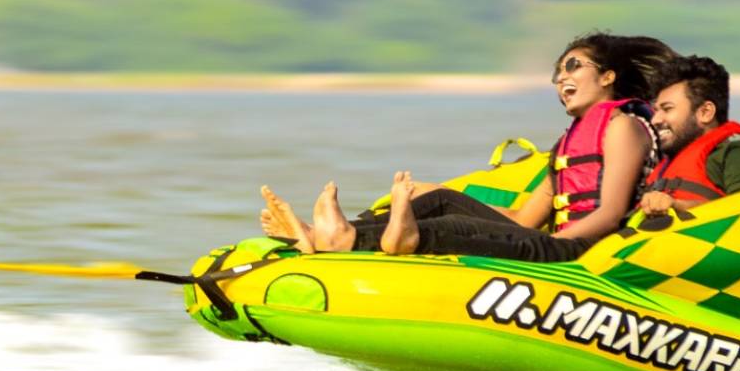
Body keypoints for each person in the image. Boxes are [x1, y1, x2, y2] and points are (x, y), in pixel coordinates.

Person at [260, 33, 676, 262]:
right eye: (556, 73)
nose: (561, 79)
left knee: (452, 227)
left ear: (607, 77)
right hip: (552, 239)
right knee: (441, 201)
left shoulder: (622, 127)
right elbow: (525, 220)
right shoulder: (569, 144)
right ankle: (332, 233)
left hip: (582, 250)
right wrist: (440, 195)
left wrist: (564, 247)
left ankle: (347, 241)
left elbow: (609, 212)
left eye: (572, 66)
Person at [637, 54, 740, 219]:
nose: (655, 120)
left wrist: (677, 206)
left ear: (705, 112)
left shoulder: (739, 152)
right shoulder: (664, 165)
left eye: (667, 109)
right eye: (656, 110)